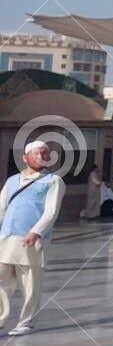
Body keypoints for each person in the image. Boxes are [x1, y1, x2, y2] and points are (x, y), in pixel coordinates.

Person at [0, 141, 65, 335]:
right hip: (7, 236)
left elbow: (51, 211)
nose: (42, 156)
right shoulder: (12, 181)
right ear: (25, 157)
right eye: (37, 153)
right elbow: (2, 207)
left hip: (31, 239)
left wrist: (36, 232)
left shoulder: (53, 181)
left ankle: (25, 322)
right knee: (2, 280)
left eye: (45, 153)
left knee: (30, 282)